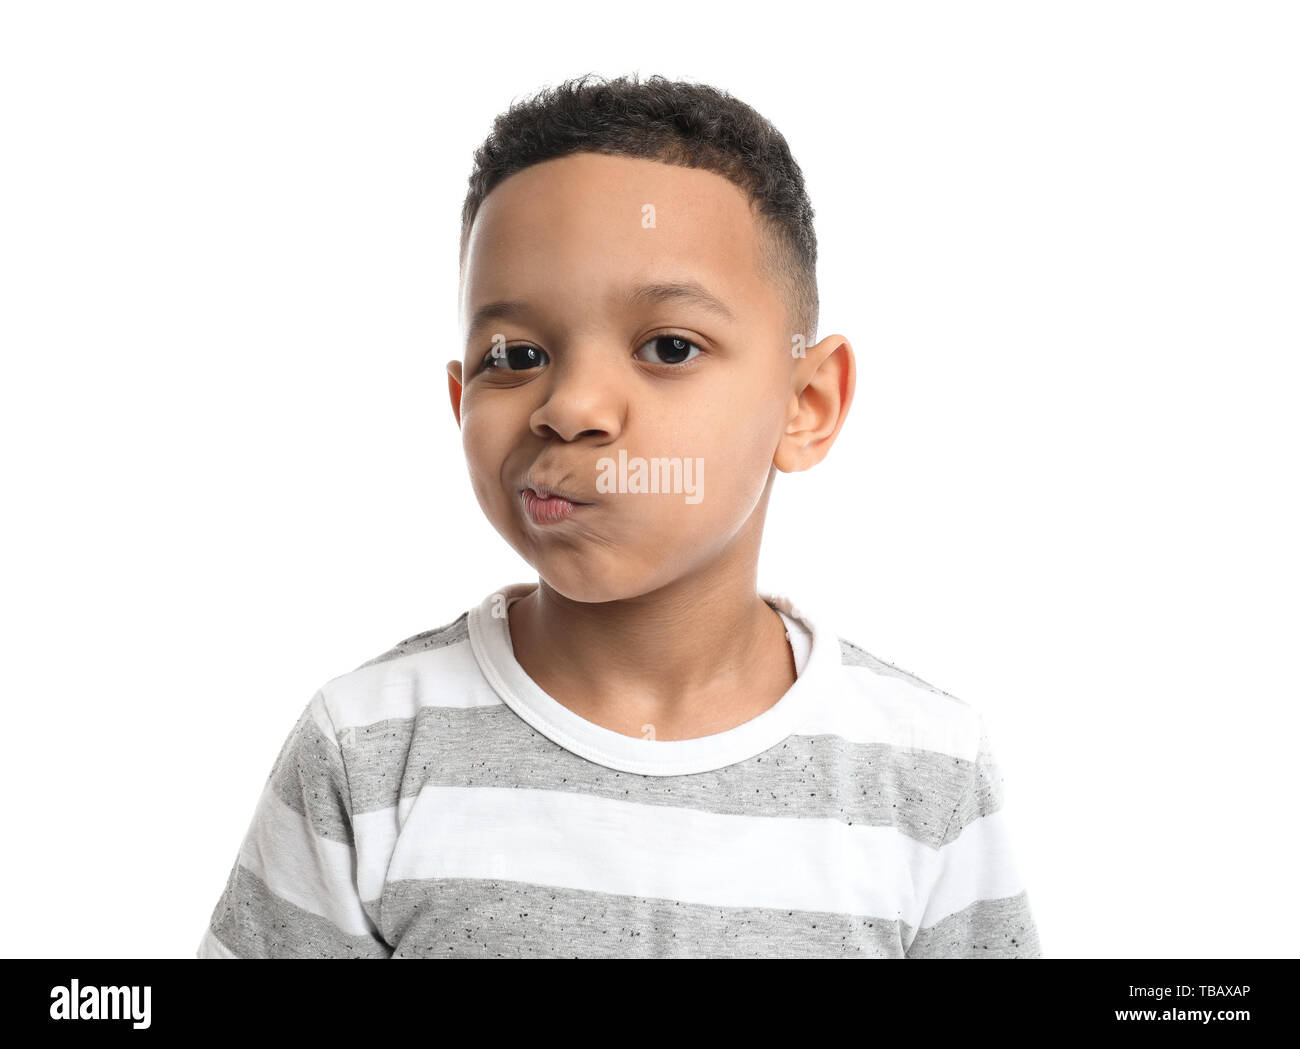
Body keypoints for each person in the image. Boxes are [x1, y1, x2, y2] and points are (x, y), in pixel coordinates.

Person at [197, 73, 1040, 959]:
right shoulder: (365, 752)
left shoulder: (924, 775)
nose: (572, 406)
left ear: (808, 403)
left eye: (668, 347)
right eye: (516, 355)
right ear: (459, 400)